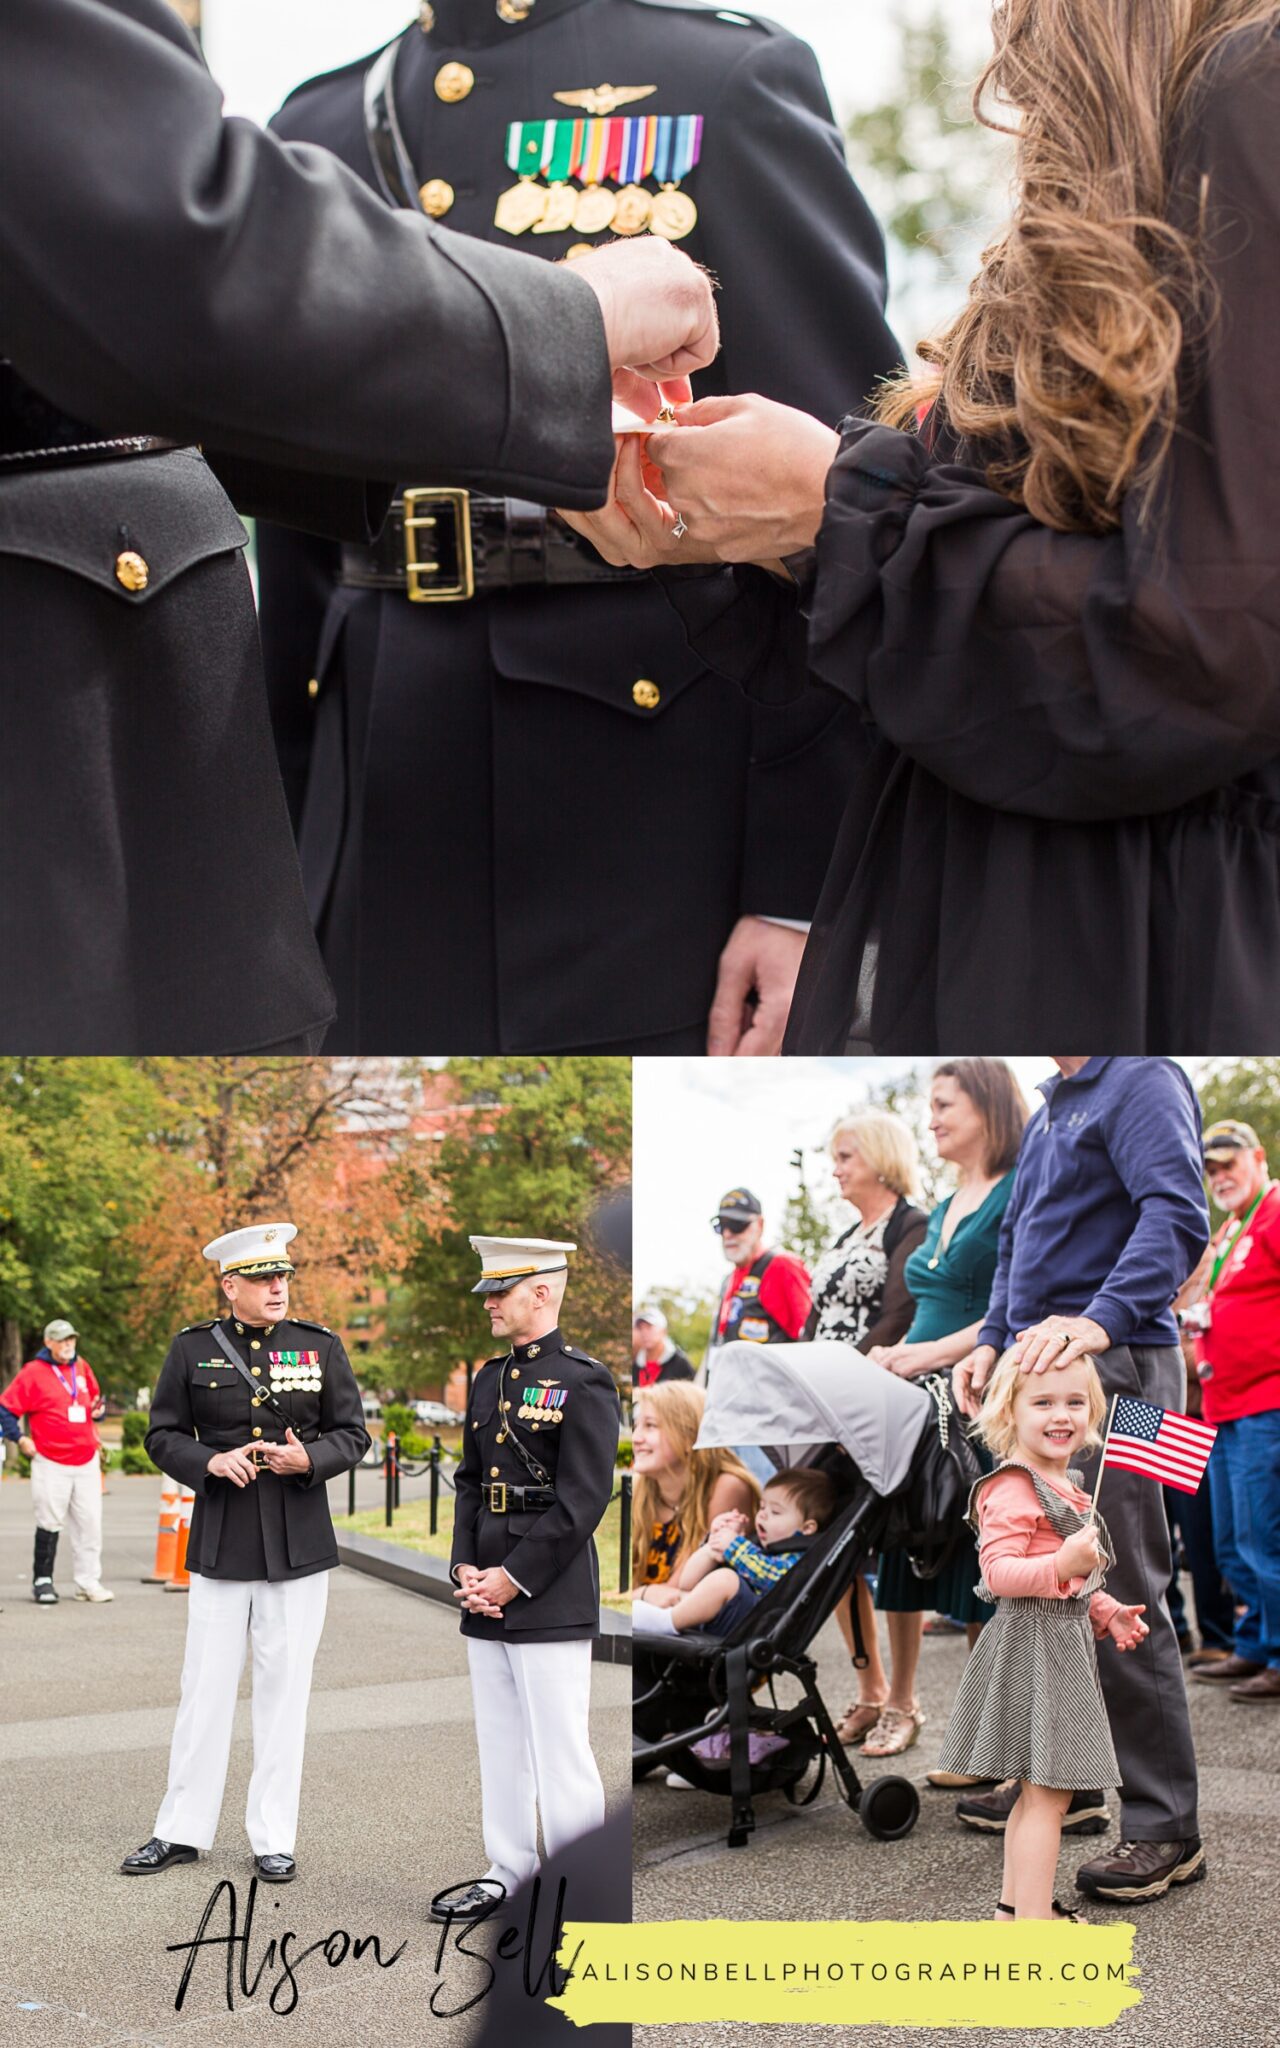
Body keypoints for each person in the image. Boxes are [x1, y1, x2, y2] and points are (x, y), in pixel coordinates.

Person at [560, 2, 1280, 1052]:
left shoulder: (1251, 80)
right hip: (1025, 908)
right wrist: (741, 514)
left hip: (1150, 950)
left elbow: (1208, 644)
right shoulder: (1143, 127)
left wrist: (832, 509)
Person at [2, 0, 718, 1053]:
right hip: (117, 740)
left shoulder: (722, 78)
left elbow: (800, 522)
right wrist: (567, 320)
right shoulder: (325, 110)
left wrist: (799, 889)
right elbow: (163, 247)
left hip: (630, 827)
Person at [256, 0, 901, 1055]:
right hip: (374, 802)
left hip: (646, 812)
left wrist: (801, 887)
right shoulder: (312, 129)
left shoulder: (722, 83)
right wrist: (279, 861)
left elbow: (836, 512)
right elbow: (290, 532)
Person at [952, 1057, 1209, 1906]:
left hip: (1121, 1364)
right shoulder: (1055, 1100)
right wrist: (991, 1336)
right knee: (1052, 1591)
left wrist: (1097, 1323)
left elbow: (1176, 1214)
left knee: (1122, 1581)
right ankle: (1078, 1780)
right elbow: (1020, 1240)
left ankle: (1164, 1824)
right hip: (1040, 1369)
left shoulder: (1140, 1078)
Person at [120, 1222, 369, 1881]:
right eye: (262, 1279)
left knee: (285, 1692)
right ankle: (180, 1830)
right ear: (230, 1285)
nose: (277, 1288)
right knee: (203, 1689)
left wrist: (308, 1457)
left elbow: (353, 1434)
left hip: (298, 1541)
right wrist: (209, 1460)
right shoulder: (192, 1349)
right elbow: (163, 1434)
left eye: (283, 1276)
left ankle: (273, 1836)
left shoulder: (320, 1346)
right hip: (223, 1537)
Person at [444, 1235, 620, 1922]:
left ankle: (582, 1893)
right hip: (483, 1583)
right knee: (501, 1743)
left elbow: (584, 1498)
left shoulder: (585, 1380)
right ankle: (508, 1870)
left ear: (541, 1292)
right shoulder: (488, 1378)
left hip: (545, 1587)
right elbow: (467, 1483)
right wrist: (463, 1566)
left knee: (559, 1749)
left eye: (501, 1291)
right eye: (488, 1290)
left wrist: (513, 1577)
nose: (488, 1302)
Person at [938, 1350, 1149, 1921]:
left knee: (1038, 1795)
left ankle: (1016, 1911)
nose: (1062, 1415)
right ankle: (1033, 1927)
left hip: (1058, 1645)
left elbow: (1071, 1578)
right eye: (1044, 1403)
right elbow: (999, 1575)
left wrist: (1103, 1608)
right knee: (1049, 1797)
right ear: (1010, 1411)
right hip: (1035, 1649)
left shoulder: (1066, 1483)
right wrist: (1063, 1561)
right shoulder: (1011, 1486)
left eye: (1075, 1402)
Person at [862, 1061, 1028, 1766]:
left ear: (987, 1107)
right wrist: (891, 1355)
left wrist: (921, 1354)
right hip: (920, 1401)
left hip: (979, 1395)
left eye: (943, 1105)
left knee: (981, 1574)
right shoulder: (950, 1194)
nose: (929, 1119)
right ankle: (907, 1705)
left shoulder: (1017, 1190)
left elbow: (1011, 1304)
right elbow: (923, 1303)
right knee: (911, 1553)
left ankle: (988, 1740)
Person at [798, 1109, 927, 1748]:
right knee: (835, 1550)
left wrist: (841, 1380)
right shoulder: (847, 1234)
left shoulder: (913, 1224)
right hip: (825, 1406)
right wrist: (801, 1376)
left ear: (880, 1157)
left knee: (896, 1552)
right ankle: (869, 1690)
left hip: (878, 1402)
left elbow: (900, 1314)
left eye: (846, 1156)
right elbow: (817, 1317)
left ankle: (904, 1700)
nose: (836, 1168)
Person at [1185, 1120, 1280, 1702]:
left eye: (1229, 1163)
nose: (1220, 1176)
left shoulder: (1274, 1212)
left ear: (1258, 1157)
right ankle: (1252, 1644)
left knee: (1260, 1536)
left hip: (1263, 1401)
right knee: (1229, 1540)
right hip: (1222, 1404)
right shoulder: (1233, 1228)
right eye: (1211, 1169)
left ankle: (1277, 1651)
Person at [631, 1466, 835, 1638]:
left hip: (757, 1623)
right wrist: (714, 1545)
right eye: (762, 1507)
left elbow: (776, 1578)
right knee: (696, 1588)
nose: (763, 1515)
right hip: (728, 1617)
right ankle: (668, 1615)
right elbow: (687, 1582)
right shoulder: (760, 1552)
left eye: (775, 1512)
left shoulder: (798, 1559)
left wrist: (735, 1547)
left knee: (727, 1579)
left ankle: (666, 1622)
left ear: (807, 1528)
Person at [0, 1319, 112, 1604]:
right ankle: (43, 1580)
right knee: (49, 1521)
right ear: (48, 1342)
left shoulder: (82, 1366)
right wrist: (20, 1438)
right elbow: (5, 1408)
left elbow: (95, 1401)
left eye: (71, 1340)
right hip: (50, 1460)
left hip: (85, 1459)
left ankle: (88, 1582)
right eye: (62, 1341)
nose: (68, 1345)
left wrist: (98, 1412)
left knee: (90, 1523)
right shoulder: (33, 1372)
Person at [630, 1380, 758, 1595]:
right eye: (636, 1426)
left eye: (650, 1426)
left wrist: (639, 1596)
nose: (636, 1438)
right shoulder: (640, 1488)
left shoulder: (727, 1486)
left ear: (689, 1434)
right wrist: (641, 1596)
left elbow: (677, 1591)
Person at [710, 1189, 812, 1351]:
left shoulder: (781, 1266)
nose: (728, 1234)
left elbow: (811, 1337)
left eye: (737, 1225)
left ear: (760, 1225)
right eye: (721, 1226)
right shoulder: (729, 1280)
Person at [633, 1308, 695, 1389]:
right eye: (641, 1328)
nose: (644, 1333)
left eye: (649, 1327)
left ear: (663, 1331)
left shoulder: (680, 1363)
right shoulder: (635, 1364)